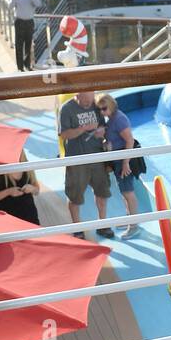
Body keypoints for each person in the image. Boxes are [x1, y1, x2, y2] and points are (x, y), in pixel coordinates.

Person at [58, 90, 114, 238]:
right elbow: (64, 134)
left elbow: (106, 125)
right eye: (85, 99)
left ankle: (102, 224)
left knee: (102, 193)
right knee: (75, 197)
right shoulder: (66, 109)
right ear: (77, 94)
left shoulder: (96, 105)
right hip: (76, 160)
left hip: (97, 157)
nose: (89, 102)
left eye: (91, 97)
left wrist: (102, 131)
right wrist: (84, 128)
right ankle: (78, 228)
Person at [97, 93, 140, 238]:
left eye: (104, 108)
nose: (102, 112)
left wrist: (125, 162)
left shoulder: (119, 119)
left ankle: (134, 225)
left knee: (128, 192)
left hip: (123, 158)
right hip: (118, 158)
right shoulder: (111, 118)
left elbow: (130, 141)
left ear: (111, 105)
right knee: (124, 192)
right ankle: (130, 219)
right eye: (99, 110)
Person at [0, 149, 40, 225]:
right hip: (8, 220)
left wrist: (32, 188)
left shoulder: (27, 166)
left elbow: (37, 190)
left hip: (30, 217)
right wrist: (8, 192)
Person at [9, 0, 40, 71]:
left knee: (28, 44)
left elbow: (39, 4)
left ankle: (27, 65)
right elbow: (10, 6)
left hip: (29, 22)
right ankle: (20, 67)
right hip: (19, 22)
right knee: (19, 45)